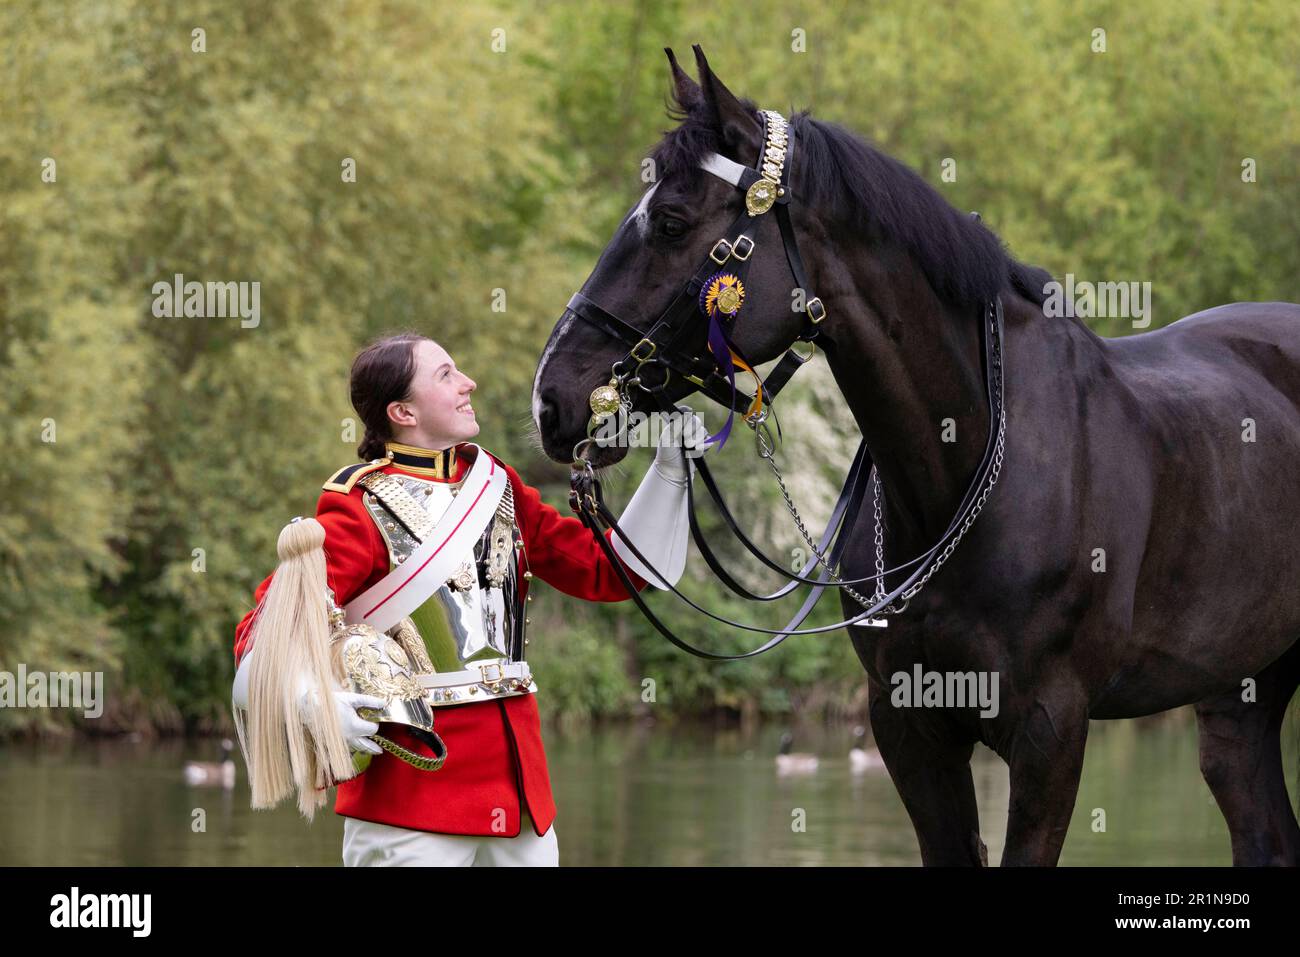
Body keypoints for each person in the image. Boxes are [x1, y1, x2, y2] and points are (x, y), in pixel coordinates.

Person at [230, 332, 700, 866]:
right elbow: (261, 639)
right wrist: (317, 702)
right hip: (413, 794)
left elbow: (607, 571)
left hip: (519, 794)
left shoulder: (496, 484)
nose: (467, 383)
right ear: (402, 410)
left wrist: (670, 465)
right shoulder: (356, 507)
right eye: (446, 374)